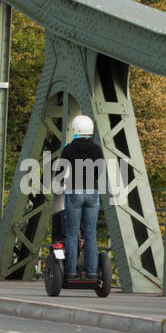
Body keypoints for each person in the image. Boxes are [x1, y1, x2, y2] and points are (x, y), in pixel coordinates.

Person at [59, 114, 105, 280]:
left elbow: (60, 172)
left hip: (74, 192)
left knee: (72, 233)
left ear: (75, 129)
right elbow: (100, 172)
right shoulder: (97, 149)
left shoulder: (69, 149)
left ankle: (70, 272)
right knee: (90, 233)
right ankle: (92, 272)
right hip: (92, 194)